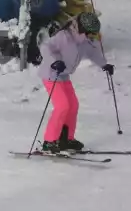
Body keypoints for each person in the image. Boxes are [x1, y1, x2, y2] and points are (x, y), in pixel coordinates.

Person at [37, 11, 114, 153]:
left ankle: (66, 139)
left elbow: (93, 53)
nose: (93, 36)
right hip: (51, 74)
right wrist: (55, 62)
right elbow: (45, 47)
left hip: (64, 75)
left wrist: (104, 65)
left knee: (73, 106)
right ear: (84, 29)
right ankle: (49, 142)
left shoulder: (84, 41)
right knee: (62, 106)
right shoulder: (64, 36)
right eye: (91, 33)